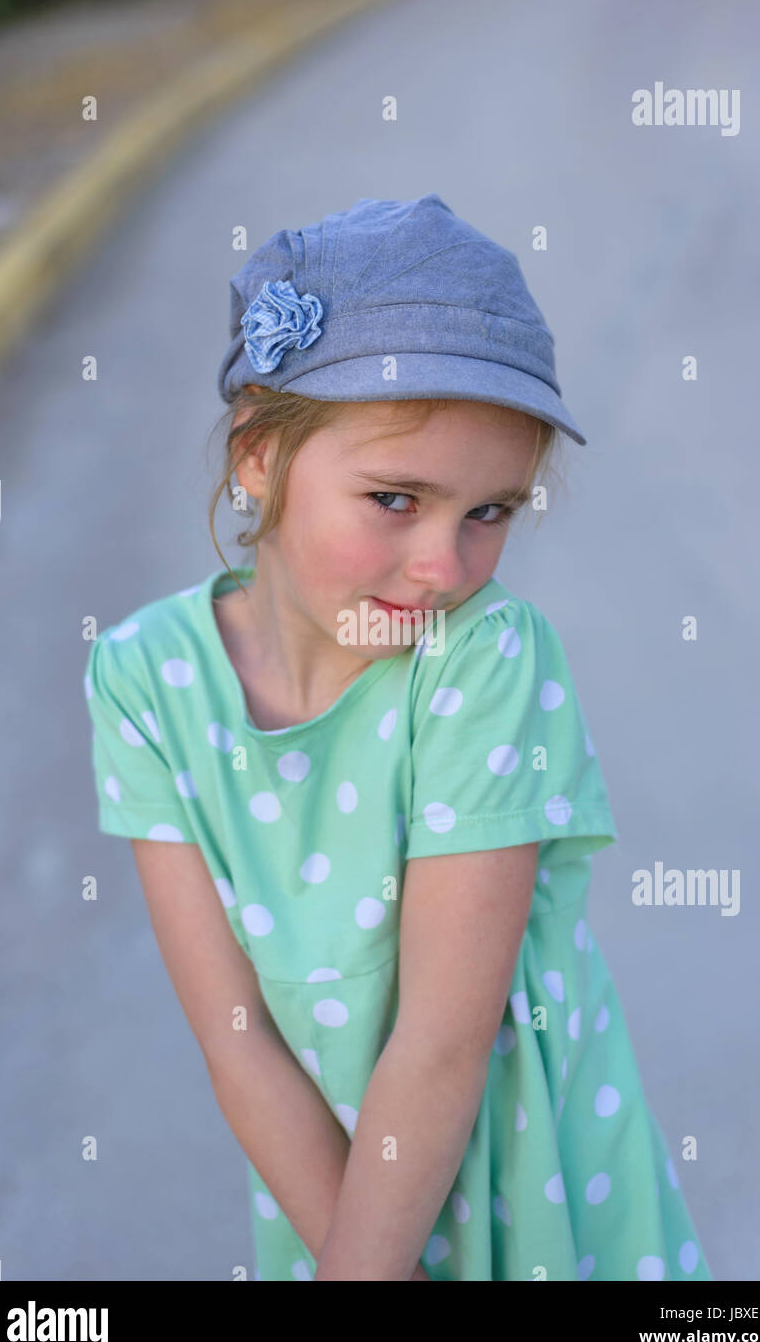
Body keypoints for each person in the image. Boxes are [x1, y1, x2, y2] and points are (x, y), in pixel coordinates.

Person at [83, 193, 712, 1282]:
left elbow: (442, 1039)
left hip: (531, 1180)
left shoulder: (482, 659)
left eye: (491, 512)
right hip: (337, 1200)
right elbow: (237, 1038)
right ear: (258, 460)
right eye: (394, 497)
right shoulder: (145, 677)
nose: (445, 567)